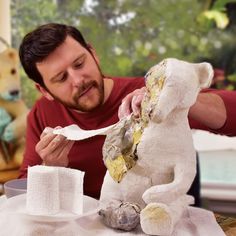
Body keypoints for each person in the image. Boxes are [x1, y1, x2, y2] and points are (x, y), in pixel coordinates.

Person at [18, 23, 236, 203]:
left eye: (79, 63)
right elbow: (23, 194)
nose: (78, 80)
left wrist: (176, 97)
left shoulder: (144, 93)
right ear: (44, 90)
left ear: (93, 54)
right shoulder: (43, 113)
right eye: (61, 78)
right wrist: (50, 169)